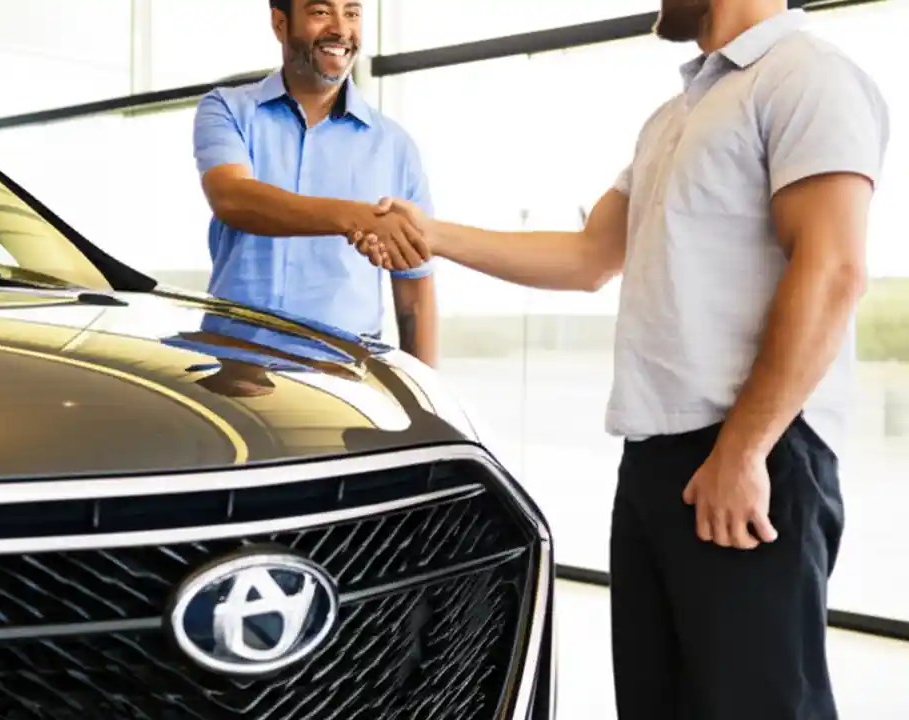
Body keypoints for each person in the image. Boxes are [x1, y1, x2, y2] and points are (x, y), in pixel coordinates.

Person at [354, 1, 889, 718]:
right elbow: (586, 258)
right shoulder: (675, 117)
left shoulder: (805, 76)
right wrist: (432, 234)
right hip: (658, 460)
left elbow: (831, 270)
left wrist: (744, 449)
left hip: (752, 456)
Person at [191, 0, 438, 366]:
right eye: (321, 12)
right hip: (234, 367)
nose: (341, 29)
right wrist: (357, 218)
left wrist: (427, 409)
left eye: (352, 13)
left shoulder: (395, 145)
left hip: (346, 376)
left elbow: (415, 294)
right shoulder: (226, 109)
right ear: (280, 23)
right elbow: (233, 198)